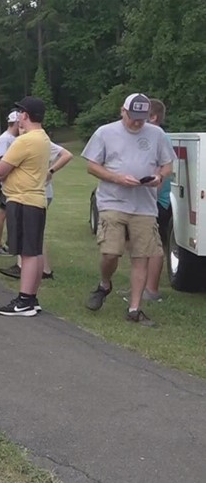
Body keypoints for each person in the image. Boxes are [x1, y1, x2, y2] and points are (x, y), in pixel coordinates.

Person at [83, 93, 173, 326]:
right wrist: (117, 178)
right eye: (133, 117)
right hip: (113, 201)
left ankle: (134, 309)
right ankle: (105, 284)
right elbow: (92, 166)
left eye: (142, 118)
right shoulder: (105, 132)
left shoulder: (157, 134)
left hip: (144, 205)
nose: (137, 122)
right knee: (111, 253)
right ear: (122, 111)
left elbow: (168, 164)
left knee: (141, 256)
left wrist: (158, 177)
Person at [0, 97, 52, 317]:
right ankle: (31, 297)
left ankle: (24, 299)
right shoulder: (43, 137)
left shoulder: (24, 141)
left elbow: (0, 169)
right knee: (34, 251)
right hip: (36, 199)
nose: (18, 117)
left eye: (20, 113)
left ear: (25, 116)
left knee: (27, 253)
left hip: (23, 199)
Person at [0, 130, 73, 281]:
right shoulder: (39, 142)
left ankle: (26, 268)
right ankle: (41, 268)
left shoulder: (37, 142)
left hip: (35, 193)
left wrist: (51, 170)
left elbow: (67, 155)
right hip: (39, 192)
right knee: (35, 232)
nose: (21, 128)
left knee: (28, 232)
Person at [145, 99, 171, 301]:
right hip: (146, 202)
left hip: (155, 202)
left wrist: (151, 200)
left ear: (153, 117)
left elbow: (162, 172)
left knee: (154, 246)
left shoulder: (160, 138)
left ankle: (152, 291)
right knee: (142, 246)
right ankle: (141, 286)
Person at [0, 111, 20, 255]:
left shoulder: (12, 138)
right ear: (15, 123)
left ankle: (9, 243)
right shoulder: (6, 139)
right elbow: (4, 159)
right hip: (6, 182)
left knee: (10, 214)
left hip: (10, 182)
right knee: (3, 213)